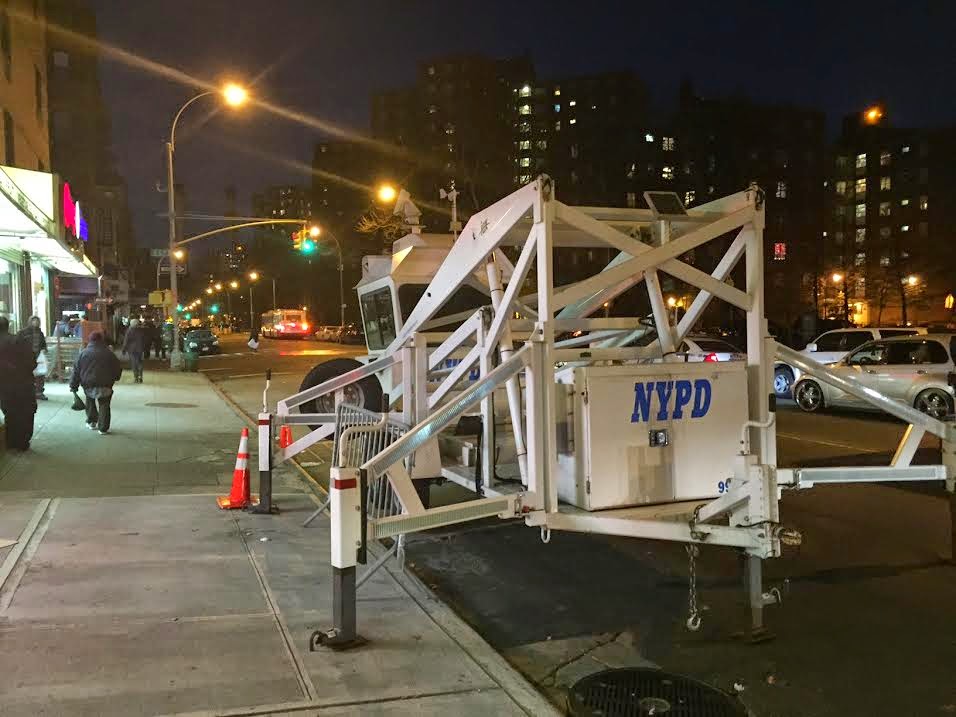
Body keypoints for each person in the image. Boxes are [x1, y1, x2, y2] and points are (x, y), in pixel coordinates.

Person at [70, 331, 122, 435]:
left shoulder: (83, 353)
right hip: (106, 383)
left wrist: (73, 385)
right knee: (104, 405)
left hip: (88, 383)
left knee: (90, 402)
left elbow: (76, 370)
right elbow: (117, 368)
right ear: (101, 340)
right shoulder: (109, 353)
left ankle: (92, 422)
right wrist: (115, 378)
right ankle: (103, 428)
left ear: (90, 340)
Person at [0, 316, 37, 450]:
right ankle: (22, 442)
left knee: (10, 413)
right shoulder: (19, 340)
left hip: (4, 386)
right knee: (25, 412)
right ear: (8, 326)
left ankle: (11, 442)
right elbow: (32, 362)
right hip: (23, 383)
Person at [18, 316, 48, 401]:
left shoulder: (40, 333)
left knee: (40, 375)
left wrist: (44, 350)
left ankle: (39, 392)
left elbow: (43, 344)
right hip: (26, 357)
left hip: (38, 357)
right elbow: (18, 343)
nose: (35, 322)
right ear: (30, 321)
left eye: (37, 321)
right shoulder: (23, 332)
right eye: (34, 320)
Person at [122, 318, 146, 383]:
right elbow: (144, 340)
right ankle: (140, 377)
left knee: (134, 364)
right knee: (140, 362)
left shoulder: (129, 331)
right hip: (140, 349)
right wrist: (144, 348)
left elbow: (126, 341)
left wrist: (124, 349)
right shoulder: (141, 331)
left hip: (132, 350)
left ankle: (136, 378)